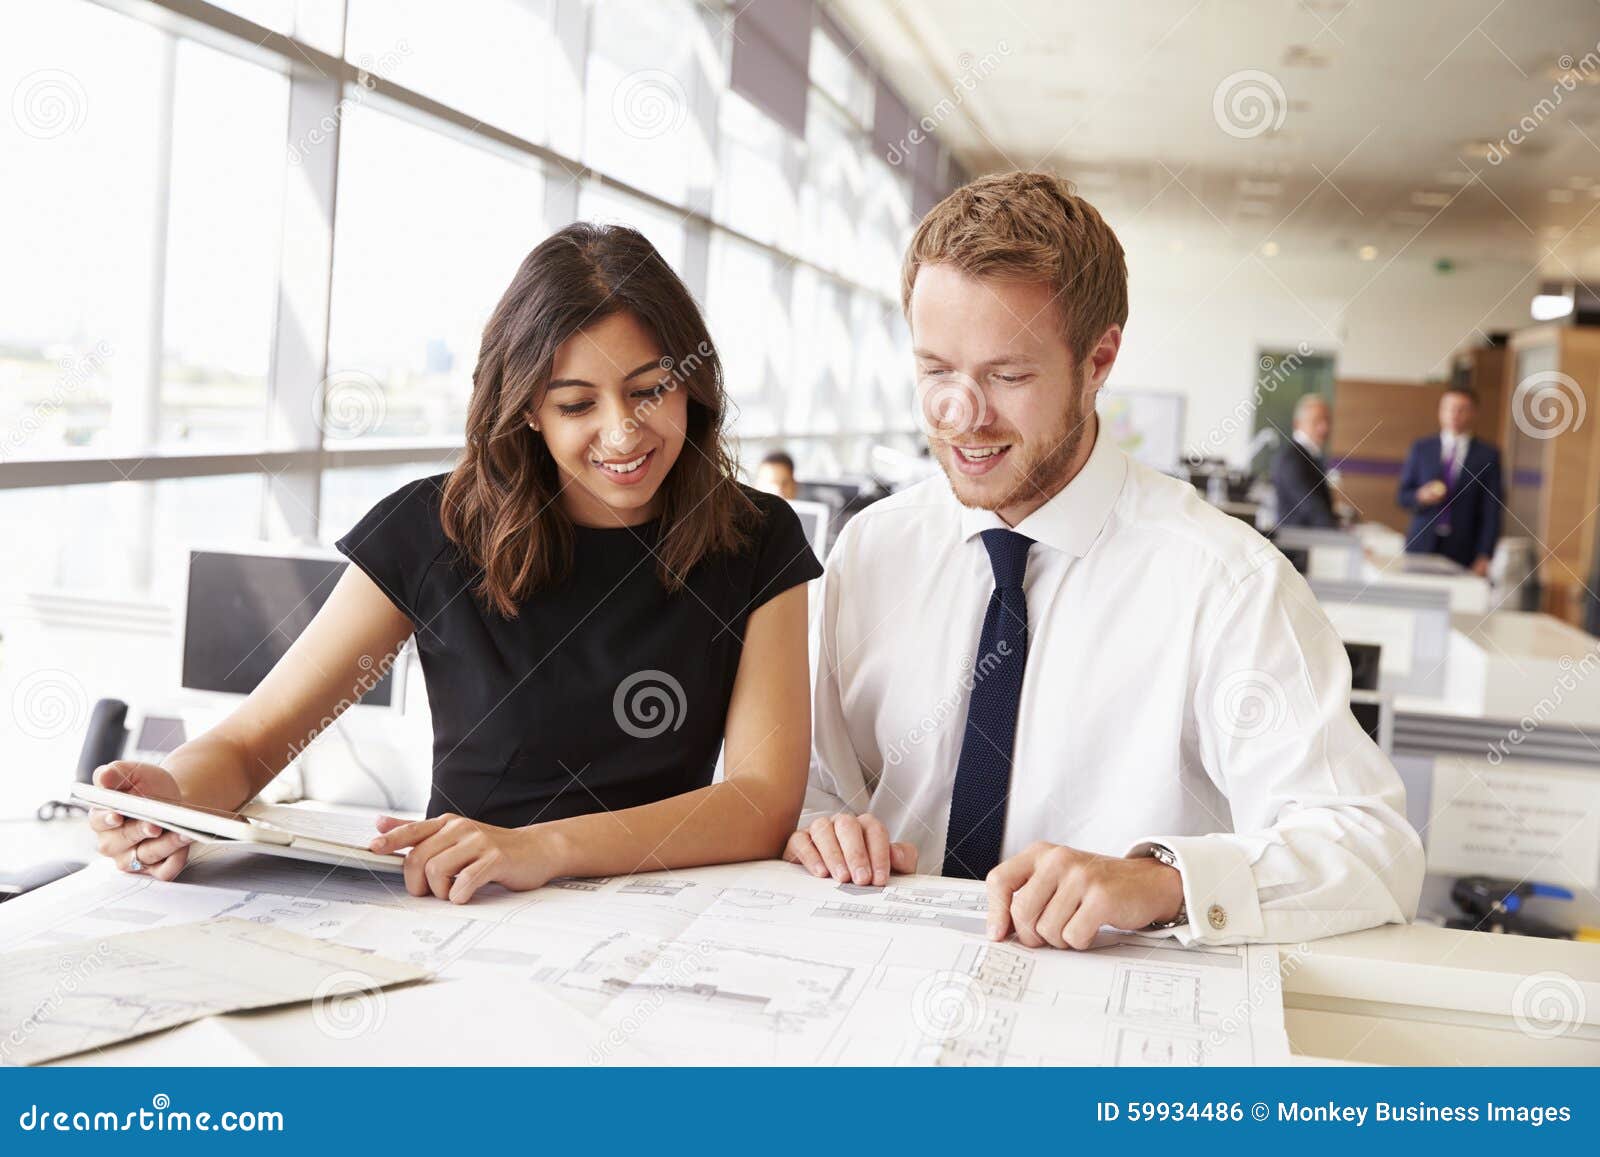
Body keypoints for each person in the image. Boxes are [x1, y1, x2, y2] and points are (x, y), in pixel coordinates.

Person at [87, 223, 821, 903]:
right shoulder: (434, 529)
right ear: (528, 408)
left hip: (660, 919)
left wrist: (544, 848)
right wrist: (167, 797)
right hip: (461, 911)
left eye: (648, 390)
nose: (621, 431)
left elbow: (760, 800)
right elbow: (253, 745)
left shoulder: (756, 539)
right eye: (576, 404)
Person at [785, 171, 1422, 949]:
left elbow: (1369, 847)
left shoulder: (1224, 583)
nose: (962, 415)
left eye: (1008, 375)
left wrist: (1164, 880)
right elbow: (813, 781)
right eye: (936, 371)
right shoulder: (873, 546)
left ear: (1099, 361)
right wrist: (819, 826)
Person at [1397, 384, 1503, 576]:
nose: (1454, 414)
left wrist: (1485, 554)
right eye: (1449, 408)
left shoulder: (1488, 456)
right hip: (1421, 543)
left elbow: (1492, 510)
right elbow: (1403, 496)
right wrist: (1420, 496)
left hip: (1463, 549)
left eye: (1462, 409)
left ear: (1473, 413)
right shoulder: (1422, 448)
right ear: (1440, 411)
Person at [1271, 393, 1338, 529]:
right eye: (1317, 421)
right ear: (1297, 424)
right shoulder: (1293, 460)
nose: (1324, 428)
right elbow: (1314, 510)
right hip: (1297, 545)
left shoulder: (1309, 456)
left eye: (1327, 421)